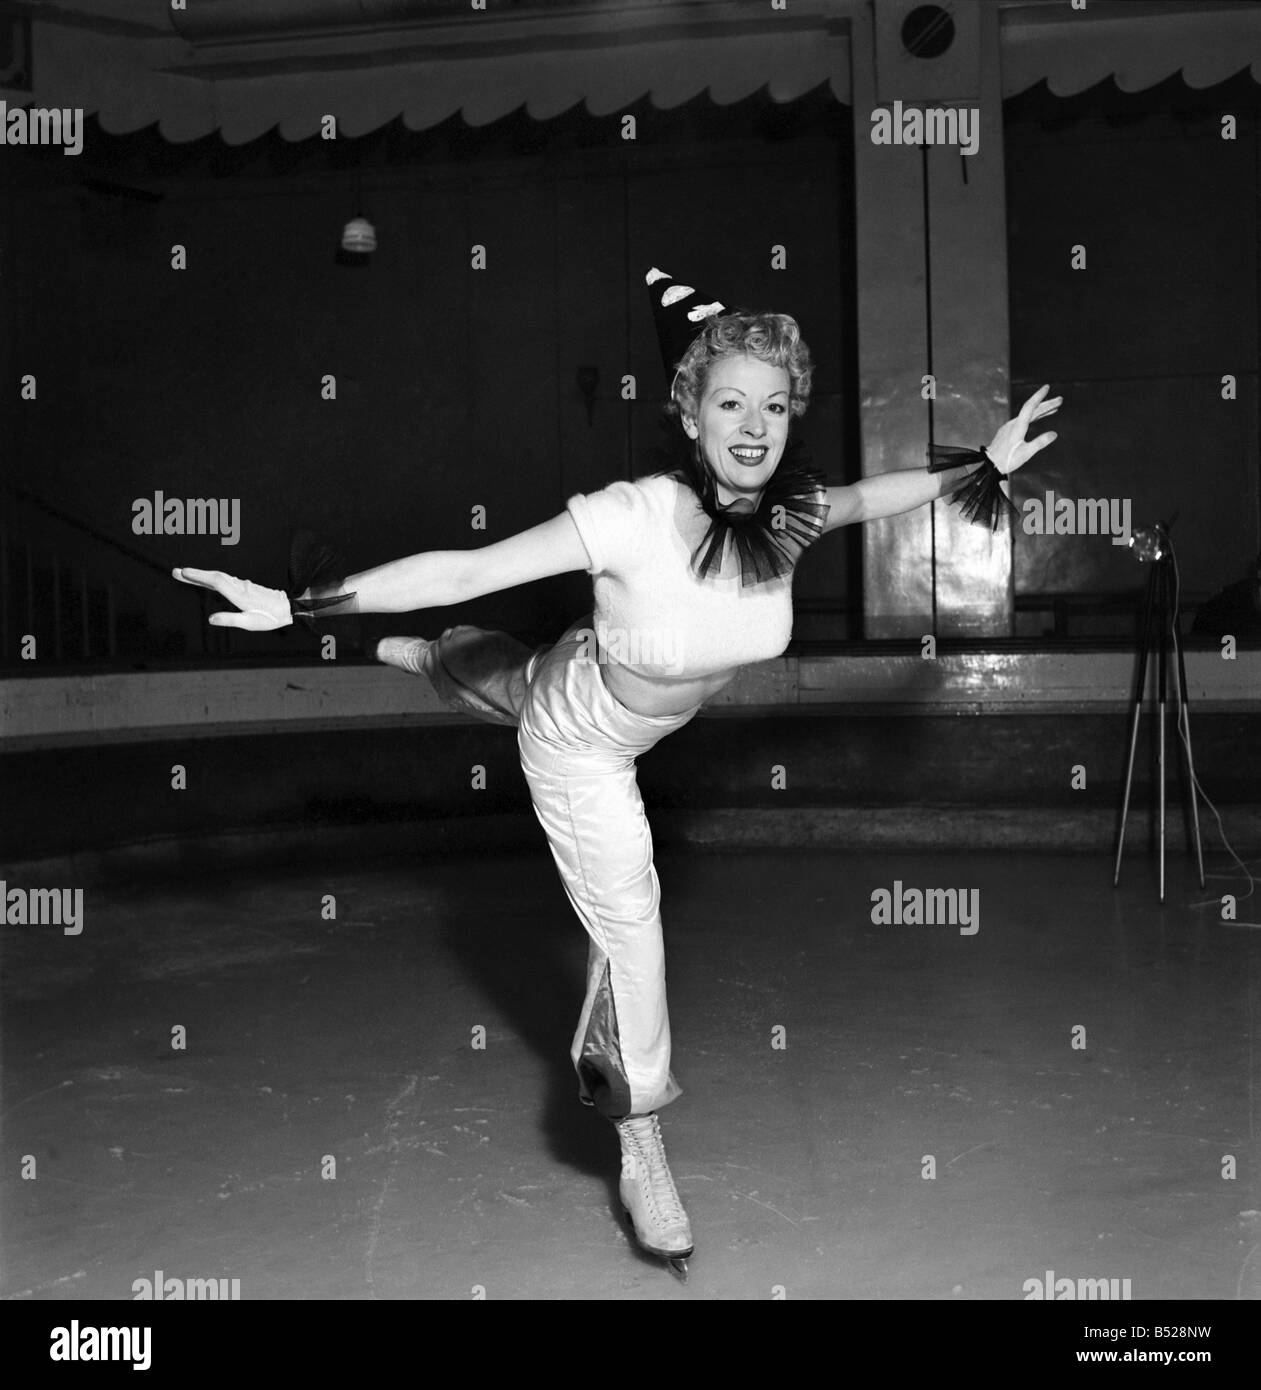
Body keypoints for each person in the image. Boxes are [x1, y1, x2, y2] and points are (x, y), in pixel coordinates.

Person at [173, 266, 1061, 1279]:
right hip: (581, 741)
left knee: (505, 673)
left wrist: (978, 466)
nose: (755, 424)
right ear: (690, 414)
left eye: (774, 404)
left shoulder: (792, 514)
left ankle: (426, 659)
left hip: (588, 680)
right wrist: (297, 606)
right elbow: (466, 568)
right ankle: (640, 1138)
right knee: (627, 915)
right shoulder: (630, 514)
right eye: (730, 401)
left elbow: (874, 494)